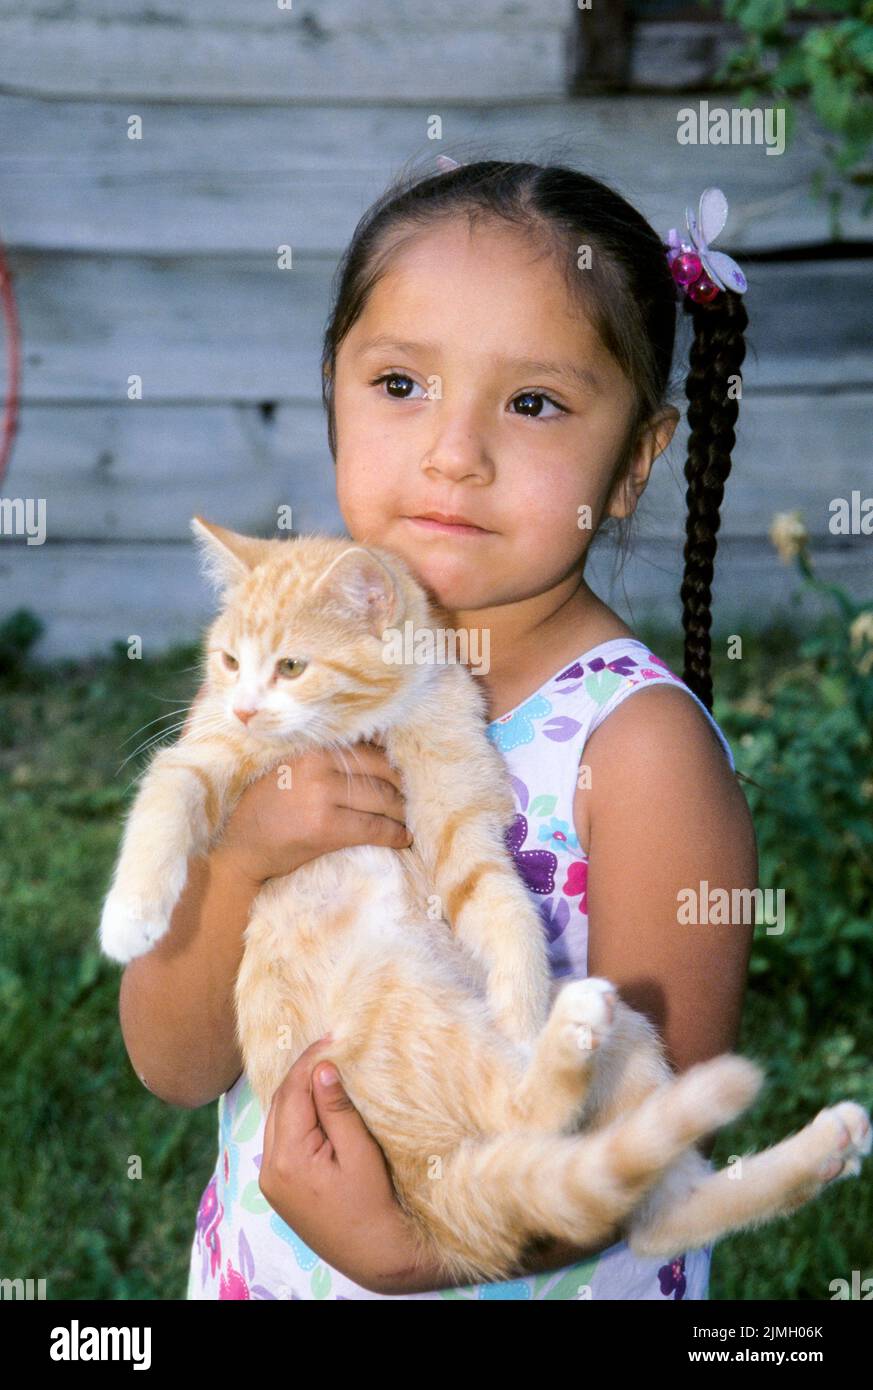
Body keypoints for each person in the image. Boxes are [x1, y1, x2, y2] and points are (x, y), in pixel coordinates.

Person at [119, 158, 758, 1299]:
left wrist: (413, 1253)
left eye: (533, 402)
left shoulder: (638, 751)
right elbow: (174, 1062)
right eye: (401, 383)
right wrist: (239, 854)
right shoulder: (289, 678)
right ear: (332, 391)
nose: (454, 452)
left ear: (634, 461)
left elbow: (654, 1135)